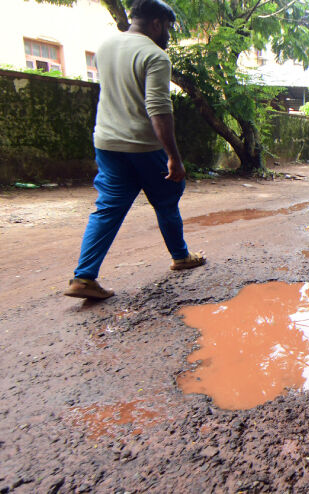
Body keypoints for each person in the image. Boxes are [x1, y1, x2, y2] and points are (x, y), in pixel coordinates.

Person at [65, 0, 204, 300]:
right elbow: (158, 108)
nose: (167, 34)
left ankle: (84, 277)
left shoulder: (106, 47)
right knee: (167, 201)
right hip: (143, 146)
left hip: (106, 142)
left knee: (108, 208)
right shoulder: (154, 55)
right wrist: (174, 158)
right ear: (156, 23)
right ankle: (181, 257)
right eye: (167, 27)